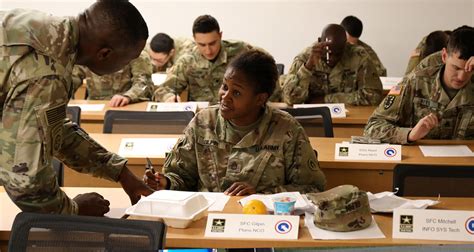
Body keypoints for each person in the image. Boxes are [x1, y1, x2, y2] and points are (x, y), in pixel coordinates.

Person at [0, 1, 153, 216]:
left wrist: (120, 172)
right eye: (128, 60)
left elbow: (52, 130)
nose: (125, 67)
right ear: (105, 53)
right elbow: (25, 178)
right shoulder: (47, 70)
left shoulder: (46, 31)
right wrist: (73, 209)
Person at [144, 50, 326, 195]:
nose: (225, 97)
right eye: (224, 87)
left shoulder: (287, 130)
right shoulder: (203, 122)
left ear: (260, 99)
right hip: (207, 223)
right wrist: (165, 182)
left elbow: (312, 189)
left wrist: (262, 197)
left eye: (236, 93)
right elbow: (181, 177)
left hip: (261, 226)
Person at [364, 26, 474, 144]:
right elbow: (372, 126)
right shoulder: (415, 81)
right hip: (419, 160)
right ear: (444, 56)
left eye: (470, 69)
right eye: (456, 68)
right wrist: (409, 135)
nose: (462, 76)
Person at [153, 15, 255, 104]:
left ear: (220, 36)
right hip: (202, 119)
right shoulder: (188, 61)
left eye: (212, 43)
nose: (208, 50)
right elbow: (162, 90)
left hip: (236, 117)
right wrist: (169, 97)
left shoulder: (241, 51)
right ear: (194, 39)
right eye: (202, 45)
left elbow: (266, 72)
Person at [281, 24, 383, 106]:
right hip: (312, 119)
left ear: (345, 45)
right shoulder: (305, 57)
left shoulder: (359, 56)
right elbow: (290, 98)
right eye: (328, 53)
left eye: (338, 53)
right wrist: (308, 66)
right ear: (320, 42)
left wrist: (328, 99)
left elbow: (373, 95)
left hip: (348, 117)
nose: (332, 58)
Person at [72, 50, 154, 107]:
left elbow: (144, 85)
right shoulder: (89, 52)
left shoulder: (135, 53)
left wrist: (128, 97)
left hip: (125, 106)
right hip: (94, 106)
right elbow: (73, 79)